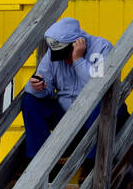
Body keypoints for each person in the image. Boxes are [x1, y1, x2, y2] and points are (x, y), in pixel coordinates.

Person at [21, 17, 126, 166]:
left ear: (78, 43)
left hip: (100, 113)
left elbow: (99, 87)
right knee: (30, 100)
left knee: (102, 102)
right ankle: (37, 161)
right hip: (67, 119)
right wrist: (37, 87)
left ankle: (91, 163)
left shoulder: (102, 47)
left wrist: (78, 60)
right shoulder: (53, 54)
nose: (64, 60)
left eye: (66, 54)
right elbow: (46, 87)